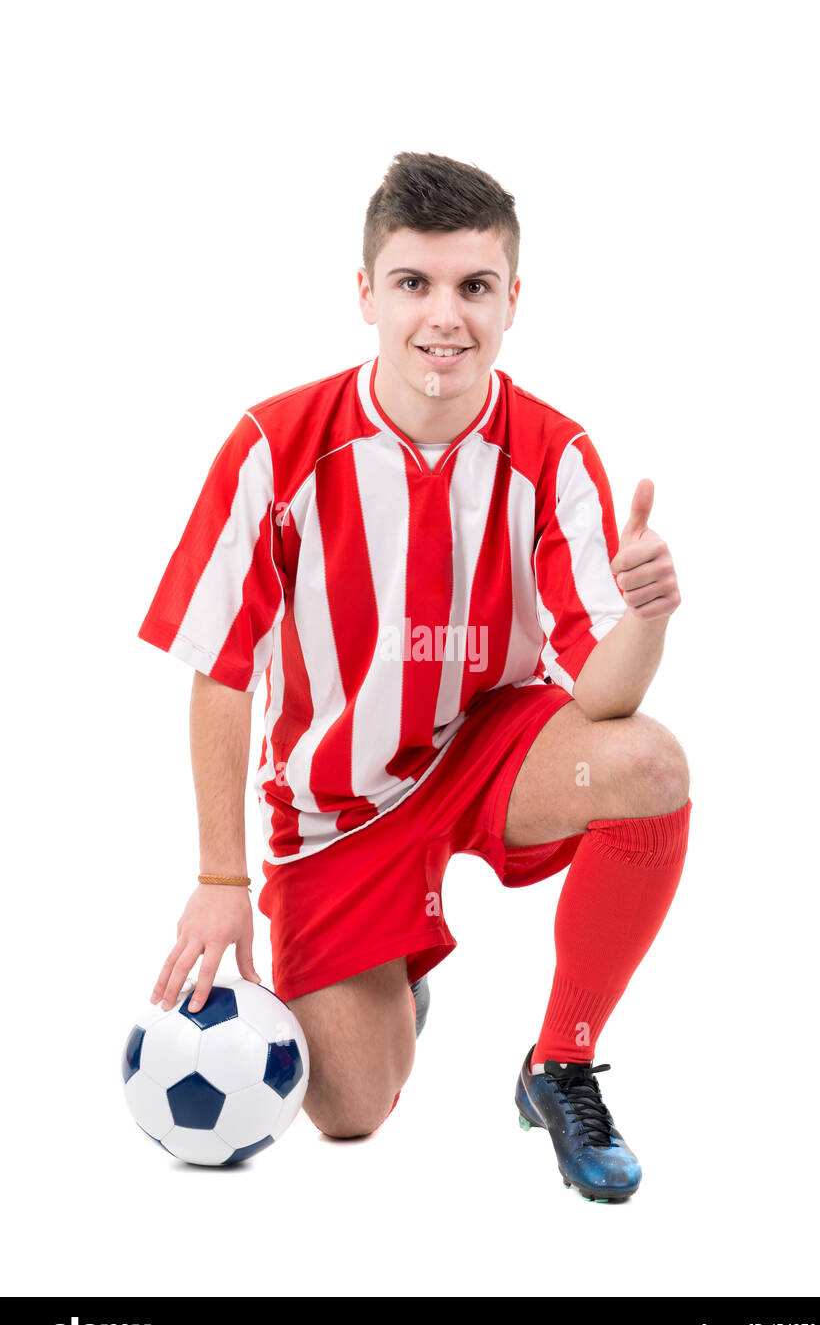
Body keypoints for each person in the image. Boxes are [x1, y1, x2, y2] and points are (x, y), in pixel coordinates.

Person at [140, 150, 692, 1202]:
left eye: (474, 286)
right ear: (366, 294)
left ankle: (561, 1061)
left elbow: (604, 697)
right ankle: (391, 971)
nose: (445, 316)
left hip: (491, 757)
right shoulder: (275, 445)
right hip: (336, 810)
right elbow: (220, 672)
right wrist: (222, 883)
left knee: (653, 765)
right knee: (346, 1110)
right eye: (414, 283)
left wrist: (648, 615)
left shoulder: (551, 452)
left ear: (513, 300)